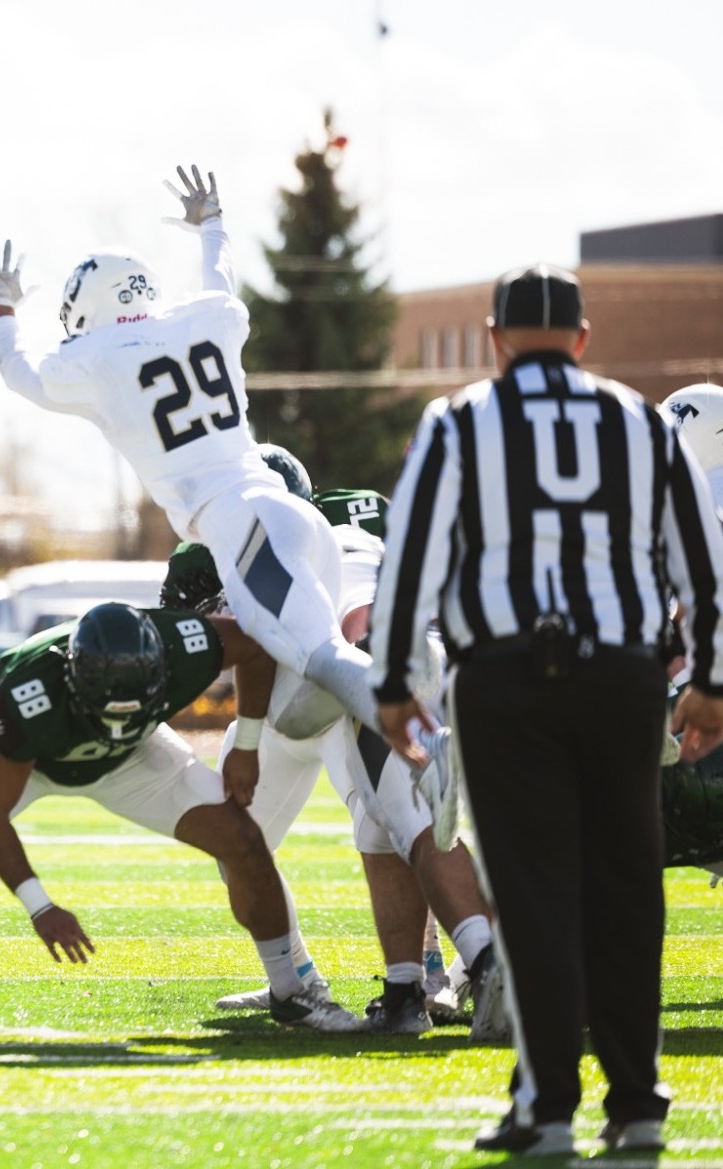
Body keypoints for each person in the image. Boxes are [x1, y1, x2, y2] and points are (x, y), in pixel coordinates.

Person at [370, 264, 723, 1156]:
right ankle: (635, 1101)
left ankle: (548, 1105)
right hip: (622, 679)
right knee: (625, 888)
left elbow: (408, 556)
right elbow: (700, 564)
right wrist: (711, 681)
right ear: (581, 338)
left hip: (505, 677)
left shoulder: (457, 421)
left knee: (532, 890)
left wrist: (392, 680)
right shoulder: (641, 422)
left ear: (493, 339)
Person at [0, 165, 423, 767]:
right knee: (306, 694)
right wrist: (212, 227)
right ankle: (381, 726)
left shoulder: (96, 358)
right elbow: (221, 279)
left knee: (324, 658)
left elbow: (19, 372)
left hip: (241, 526)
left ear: (89, 308)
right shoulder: (208, 318)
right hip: (292, 512)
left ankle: (427, 737)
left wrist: (2, 308)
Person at [0, 601, 365, 1038]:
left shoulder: (183, 642)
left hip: (132, 755)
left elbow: (255, 644)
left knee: (242, 838)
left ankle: (291, 991)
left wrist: (247, 743)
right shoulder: (31, 694)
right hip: (35, 755)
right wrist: (40, 905)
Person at [165, 446, 504, 1038]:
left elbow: (361, 609)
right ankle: (298, 978)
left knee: (399, 826)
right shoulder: (312, 528)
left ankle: (438, 975)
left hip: (348, 694)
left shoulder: (324, 538)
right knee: (236, 836)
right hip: (291, 705)